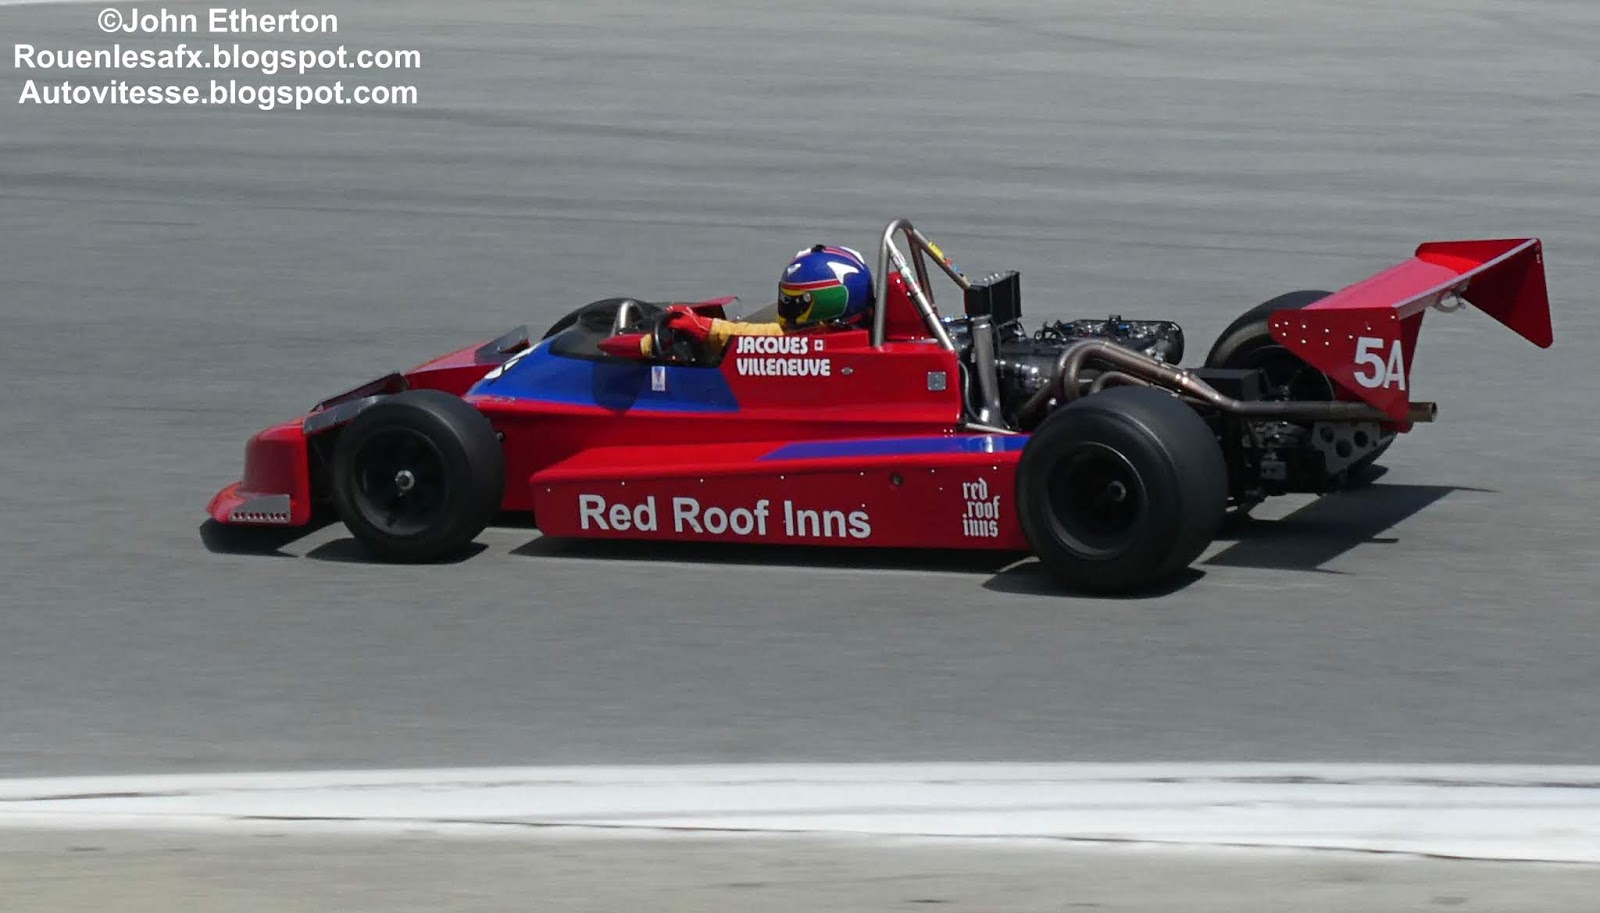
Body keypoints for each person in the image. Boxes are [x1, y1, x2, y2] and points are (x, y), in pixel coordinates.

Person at [597, 244, 876, 361]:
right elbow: (773, 338)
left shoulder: (843, 350)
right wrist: (711, 329)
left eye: (796, 304)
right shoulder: (846, 336)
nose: (788, 313)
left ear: (830, 304)